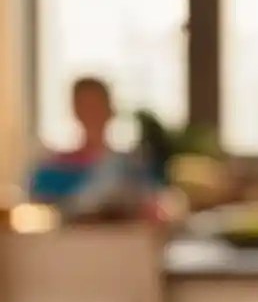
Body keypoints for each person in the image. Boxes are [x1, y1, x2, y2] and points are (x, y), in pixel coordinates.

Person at [28, 77, 162, 219]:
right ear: (75, 111)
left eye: (96, 105)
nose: (91, 113)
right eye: (84, 105)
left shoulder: (130, 168)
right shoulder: (52, 170)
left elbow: (152, 211)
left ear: (110, 110)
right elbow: (42, 213)